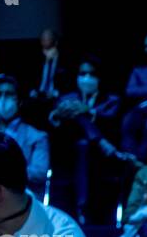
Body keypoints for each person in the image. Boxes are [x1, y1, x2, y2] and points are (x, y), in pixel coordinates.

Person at [48, 59, 134, 221]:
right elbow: (53, 121)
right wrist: (58, 114)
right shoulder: (67, 98)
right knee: (81, 136)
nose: (86, 78)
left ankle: (82, 207)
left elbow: (113, 123)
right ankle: (100, 142)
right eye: (82, 74)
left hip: (101, 159)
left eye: (91, 74)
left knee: (83, 137)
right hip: (69, 151)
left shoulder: (111, 99)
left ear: (99, 77)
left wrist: (90, 111)